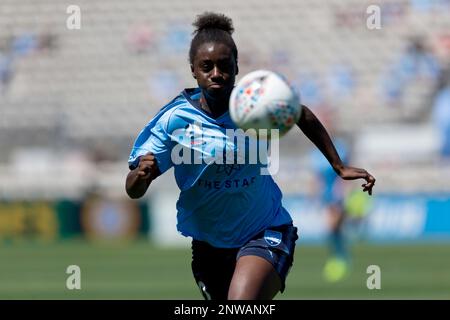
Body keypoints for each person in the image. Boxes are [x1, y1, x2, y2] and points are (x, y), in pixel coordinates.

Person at [125, 12, 376, 300]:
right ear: (193, 69)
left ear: (236, 66)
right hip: (209, 244)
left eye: (224, 65)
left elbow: (301, 113)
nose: (216, 73)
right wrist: (139, 177)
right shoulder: (174, 119)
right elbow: (134, 188)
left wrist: (338, 165)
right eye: (207, 66)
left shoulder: (254, 101)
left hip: (265, 228)